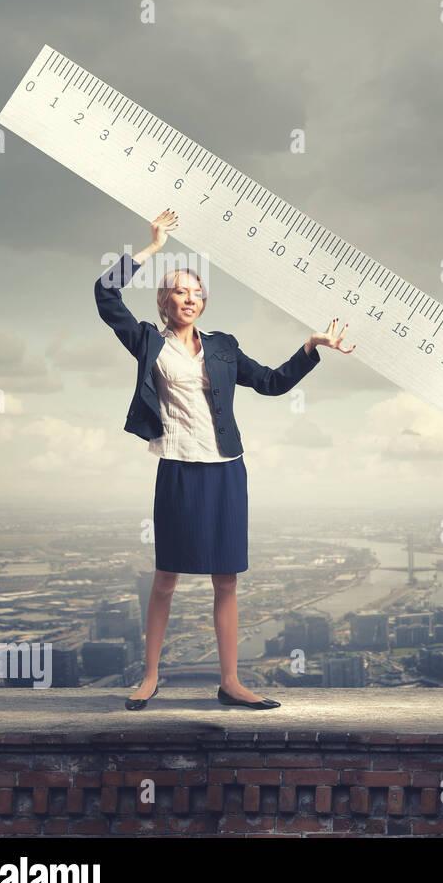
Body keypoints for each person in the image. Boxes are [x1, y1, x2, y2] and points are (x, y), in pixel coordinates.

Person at [95, 208, 356, 710]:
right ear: (162, 301)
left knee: (226, 579)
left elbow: (273, 384)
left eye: (197, 292)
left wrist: (312, 346)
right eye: (178, 291)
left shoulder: (224, 348)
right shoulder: (147, 340)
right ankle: (150, 677)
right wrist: (151, 248)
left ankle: (231, 683)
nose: (189, 298)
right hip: (177, 467)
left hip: (226, 470)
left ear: (204, 303)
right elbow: (105, 295)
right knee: (166, 578)